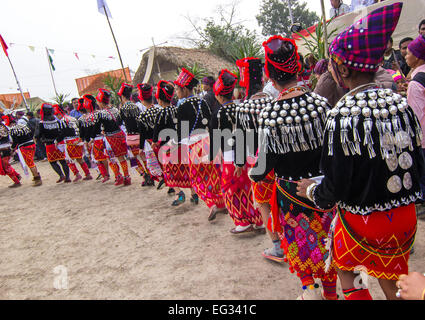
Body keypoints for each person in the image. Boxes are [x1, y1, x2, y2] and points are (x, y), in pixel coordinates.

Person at [297, 2, 424, 300]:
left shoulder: (342, 116)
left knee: (344, 267)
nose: (328, 69)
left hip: (364, 222)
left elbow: (336, 186)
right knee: (395, 282)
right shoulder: (400, 104)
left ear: (341, 68)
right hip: (405, 217)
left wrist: (313, 191)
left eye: (331, 64)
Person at [249, 35, 337, 300]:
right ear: (298, 69)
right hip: (324, 191)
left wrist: (254, 174)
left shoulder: (270, 115)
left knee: (301, 245)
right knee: (327, 244)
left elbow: (263, 167)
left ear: (270, 77)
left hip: (290, 195)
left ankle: (310, 293)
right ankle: (331, 295)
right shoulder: (321, 105)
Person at [235, 57, 284, 260]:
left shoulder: (244, 108)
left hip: (258, 163)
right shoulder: (274, 102)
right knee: (280, 200)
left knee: (263, 202)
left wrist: (239, 163)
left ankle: (277, 246)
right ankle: (288, 239)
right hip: (279, 159)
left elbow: (240, 137)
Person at [210, 69, 264, 235]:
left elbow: (216, 140)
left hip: (229, 158)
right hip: (245, 155)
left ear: (219, 96)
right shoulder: (241, 108)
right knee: (247, 190)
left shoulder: (219, 114)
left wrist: (213, 157)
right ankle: (258, 221)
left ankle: (242, 222)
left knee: (230, 191)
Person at [165, 68, 209, 206]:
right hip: (207, 141)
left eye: (177, 89)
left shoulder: (182, 106)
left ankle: (203, 198)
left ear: (184, 89)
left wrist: (171, 144)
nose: (176, 93)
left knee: (194, 174)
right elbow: (210, 120)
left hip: (192, 145)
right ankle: (209, 199)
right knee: (208, 173)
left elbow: (181, 131)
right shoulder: (202, 102)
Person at [95, 88, 131, 186]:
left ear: (101, 102)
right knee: (121, 157)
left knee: (110, 158)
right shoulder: (115, 109)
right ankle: (127, 177)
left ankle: (118, 176)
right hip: (119, 135)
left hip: (110, 138)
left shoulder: (101, 113)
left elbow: (99, 127)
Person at [118, 83, 151, 186]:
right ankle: (149, 175)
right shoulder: (136, 106)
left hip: (131, 136)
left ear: (122, 97)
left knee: (134, 159)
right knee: (143, 156)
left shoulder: (123, 109)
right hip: (140, 135)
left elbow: (118, 122)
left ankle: (144, 175)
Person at [406, 34, 425, 211]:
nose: (405, 56)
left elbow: (415, 116)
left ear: (418, 56)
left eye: (409, 52)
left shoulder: (415, 83)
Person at [54, 104, 92, 182]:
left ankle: (77, 174)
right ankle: (88, 174)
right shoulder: (73, 118)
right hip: (78, 140)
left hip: (70, 141)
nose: (57, 117)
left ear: (59, 114)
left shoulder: (62, 121)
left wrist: (57, 141)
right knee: (79, 159)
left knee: (68, 160)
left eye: (57, 115)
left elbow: (63, 133)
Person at [35, 103, 71, 183]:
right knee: (63, 161)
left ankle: (61, 175)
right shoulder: (57, 121)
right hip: (59, 143)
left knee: (52, 161)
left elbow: (38, 134)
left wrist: (41, 139)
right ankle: (67, 177)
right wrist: (58, 139)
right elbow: (62, 131)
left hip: (49, 144)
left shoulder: (42, 123)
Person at [82, 94, 111, 182]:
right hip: (96, 139)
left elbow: (92, 129)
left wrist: (90, 140)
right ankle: (104, 173)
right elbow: (88, 130)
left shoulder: (95, 115)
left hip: (98, 138)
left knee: (101, 157)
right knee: (98, 158)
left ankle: (106, 174)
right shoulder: (91, 115)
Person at [9, 116, 42, 186]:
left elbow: (15, 142)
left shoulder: (13, 130)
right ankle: (36, 176)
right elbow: (31, 134)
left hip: (25, 147)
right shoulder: (24, 127)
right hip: (32, 144)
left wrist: (12, 149)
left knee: (30, 163)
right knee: (31, 162)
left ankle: (37, 178)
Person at [0, 115, 22, 187]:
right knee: (6, 165)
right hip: (6, 148)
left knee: (5, 166)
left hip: (3, 149)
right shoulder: (3, 125)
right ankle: (17, 176)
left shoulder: (1, 127)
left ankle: (16, 181)